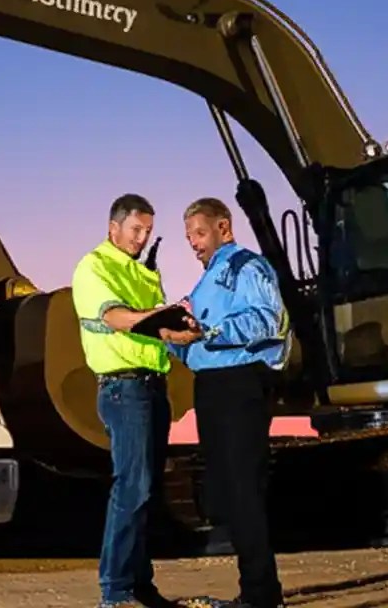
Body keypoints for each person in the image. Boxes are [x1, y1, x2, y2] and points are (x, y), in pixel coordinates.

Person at [71, 193, 203, 608]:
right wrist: (160, 319)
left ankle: (140, 586)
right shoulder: (94, 267)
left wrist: (175, 331)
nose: (141, 238)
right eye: (135, 230)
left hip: (151, 387)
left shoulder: (142, 272)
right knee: (132, 486)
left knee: (146, 489)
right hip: (122, 388)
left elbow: (150, 329)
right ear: (114, 228)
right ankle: (115, 591)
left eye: (147, 231)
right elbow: (115, 317)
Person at [169, 197, 288, 608]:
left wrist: (207, 331)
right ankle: (254, 588)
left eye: (199, 234)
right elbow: (198, 345)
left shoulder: (246, 267)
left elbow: (265, 321)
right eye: (188, 237)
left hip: (239, 385)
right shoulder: (206, 281)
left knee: (243, 489)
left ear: (224, 227)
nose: (193, 244)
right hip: (213, 387)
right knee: (228, 492)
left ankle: (261, 594)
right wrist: (173, 338)